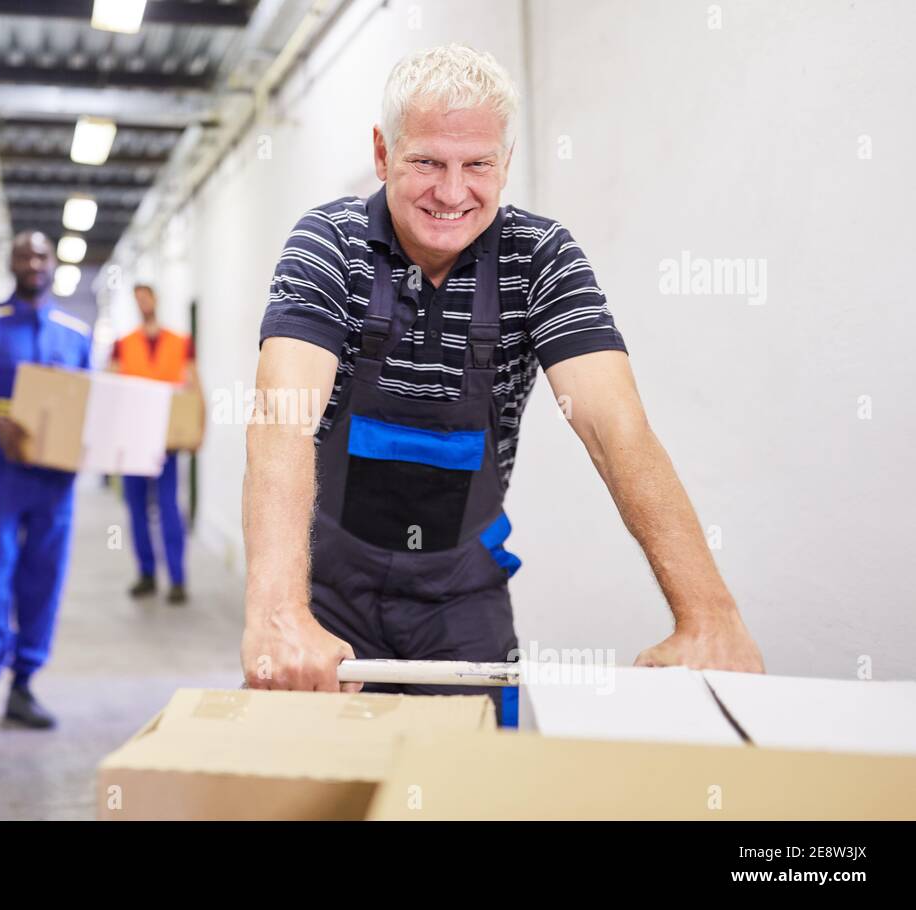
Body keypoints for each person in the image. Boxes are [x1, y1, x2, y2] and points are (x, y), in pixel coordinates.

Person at [241, 45, 764, 718]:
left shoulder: (540, 259)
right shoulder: (329, 245)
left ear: (506, 163)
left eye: (477, 165)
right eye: (427, 161)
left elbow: (615, 426)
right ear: (382, 153)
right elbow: (283, 417)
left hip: (462, 600)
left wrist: (708, 617)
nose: (452, 192)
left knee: (477, 790)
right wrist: (278, 614)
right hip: (325, 596)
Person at [0, 231, 92, 752]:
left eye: (41, 255)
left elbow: (92, 408)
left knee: (42, 584)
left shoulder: (75, 333)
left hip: (56, 484)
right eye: (24, 254)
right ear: (11, 262)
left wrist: (90, 445)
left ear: (53, 264)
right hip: (0, 480)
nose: (33, 262)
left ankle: (24, 688)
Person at [109, 284, 198, 605]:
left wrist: (196, 429)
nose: (143, 303)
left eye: (147, 296)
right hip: (132, 441)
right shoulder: (123, 344)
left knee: (168, 508)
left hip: (165, 442)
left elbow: (193, 385)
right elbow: (111, 390)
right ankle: (146, 573)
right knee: (136, 509)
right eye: (138, 299)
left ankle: (177, 578)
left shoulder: (179, 342)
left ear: (156, 299)